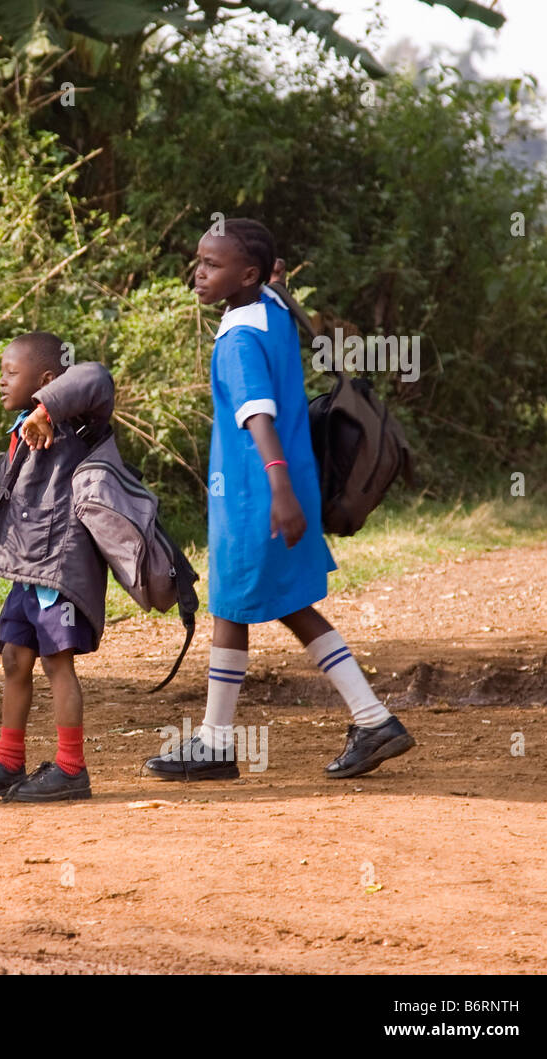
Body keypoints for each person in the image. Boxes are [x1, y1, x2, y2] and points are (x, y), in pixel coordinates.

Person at [144, 219, 414, 781]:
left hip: (254, 497)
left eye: (212, 265)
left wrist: (280, 490)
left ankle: (219, 744)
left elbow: (257, 415)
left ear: (245, 274)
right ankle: (371, 719)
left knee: (233, 609)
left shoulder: (239, 340)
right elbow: (270, 280)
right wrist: (268, 276)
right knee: (284, 606)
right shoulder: (269, 310)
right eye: (198, 261)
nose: (198, 272)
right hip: (278, 489)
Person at [0, 333, 113, 803]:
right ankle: (8, 763)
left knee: (55, 663)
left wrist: (47, 409)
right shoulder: (23, 426)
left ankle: (71, 769)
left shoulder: (75, 423)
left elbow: (96, 377)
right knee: (13, 659)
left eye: (11, 372)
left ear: (46, 381)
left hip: (58, 568)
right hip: (27, 568)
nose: (1, 381)